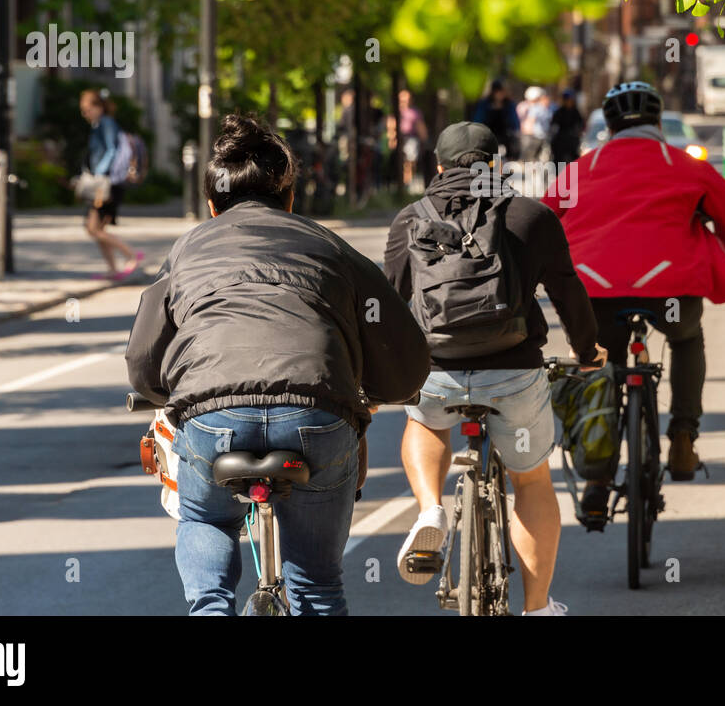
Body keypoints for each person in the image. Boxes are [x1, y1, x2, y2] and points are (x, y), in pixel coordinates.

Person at [126, 114, 430, 616]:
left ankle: (210, 607)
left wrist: (161, 391)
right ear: (290, 198)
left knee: (205, 520)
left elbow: (142, 359)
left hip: (211, 415)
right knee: (317, 586)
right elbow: (405, 350)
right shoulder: (332, 247)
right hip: (317, 413)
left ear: (210, 205)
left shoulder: (185, 251)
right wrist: (381, 389)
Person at [383, 121, 606, 616]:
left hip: (436, 372)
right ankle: (538, 607)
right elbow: (569, 294)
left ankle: (430, 509)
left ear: (437, 166)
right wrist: (588, 353)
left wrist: (381, 374)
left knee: (423, 421)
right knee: (530, 480)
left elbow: (388, 304)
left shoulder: (410, 220)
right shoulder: (531, 216)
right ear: (496, 166)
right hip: (513, 374)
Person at [541, 82, 725, 527]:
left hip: (595, 288)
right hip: (670, 288)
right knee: (686, 338)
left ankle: (597, 477)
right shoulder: (684, 165)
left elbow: (543, 221)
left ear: (610, 126)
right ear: (658, 123)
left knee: (600, 362)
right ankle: (682, 437)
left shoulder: (582, 168)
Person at [79, 89, 142, 280]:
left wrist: (99, 173)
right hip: (104, 183)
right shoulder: (100, 124)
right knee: (96, 228)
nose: (85, 114)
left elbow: (112, 150)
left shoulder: (106, 123)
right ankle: (113, 268)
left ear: (98, 107)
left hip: (106, 184)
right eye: (83, 111)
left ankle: (131, 254)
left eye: (88, 109)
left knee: (93, 227)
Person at [470, 78, 521, 159]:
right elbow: (478, 120)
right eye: (498, 91)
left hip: (506, 136)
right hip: (488, 136)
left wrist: (516, 131)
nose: (500, 94)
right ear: (493, 92)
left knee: (507, 157)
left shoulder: (509, 105)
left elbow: (514, 121)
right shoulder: (484, 104)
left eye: (502, 91)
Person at [397, 88, 429, 188]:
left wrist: (425, 139)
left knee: (410, 161)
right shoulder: (397, 111)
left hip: (411, 139)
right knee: (401, 161)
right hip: (399, 139)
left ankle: (407, 182)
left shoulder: (415, 112)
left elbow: (420, 127)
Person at [548, 89, 585, 166]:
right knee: (559, 163)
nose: (569, 102)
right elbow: (553, 126)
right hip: (560, 142)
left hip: (572, 143)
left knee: (573, 164)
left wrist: (578, 133)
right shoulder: (559, 112)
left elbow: (581, 125)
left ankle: (572, 177)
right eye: (567, 100)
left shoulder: (576, 112)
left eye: (570, 100)